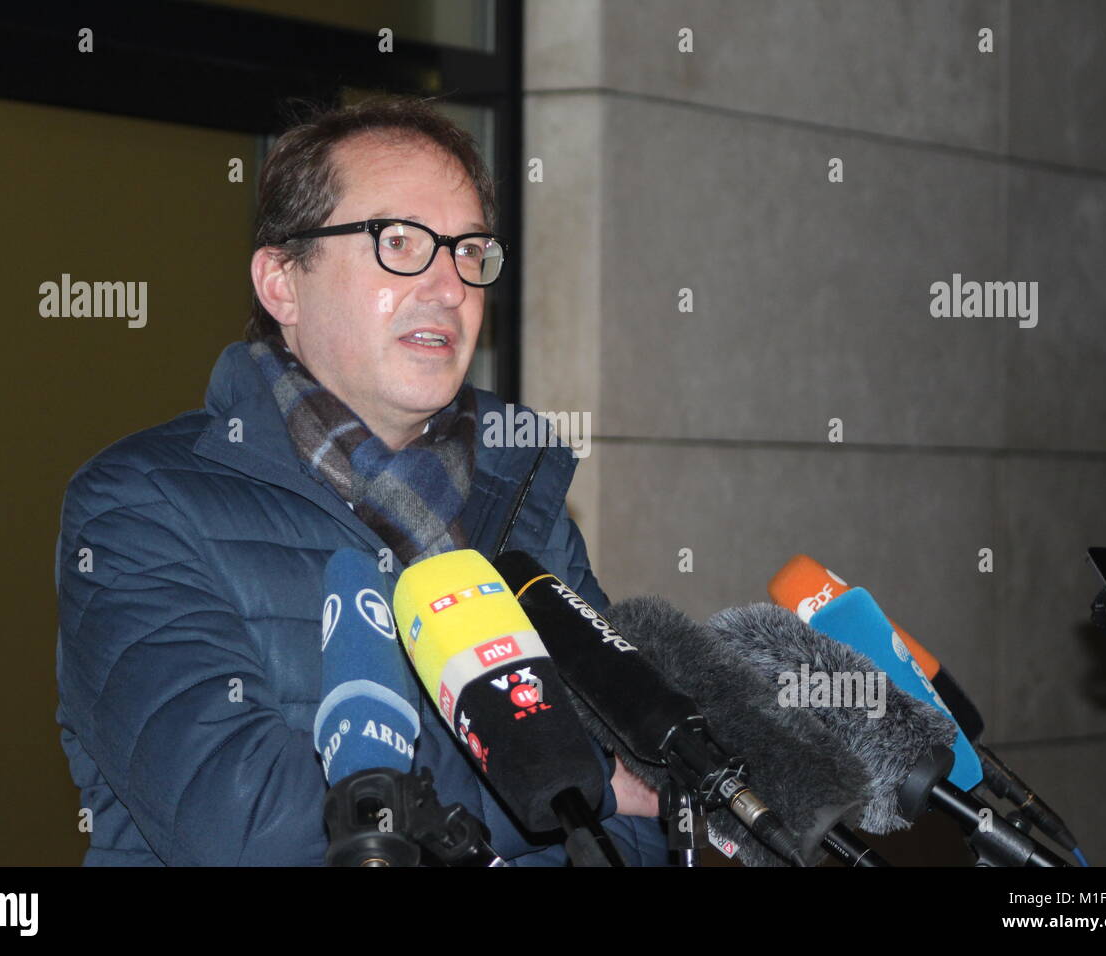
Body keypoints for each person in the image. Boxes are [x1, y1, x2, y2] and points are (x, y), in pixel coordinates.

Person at [54, 95, 667, 865]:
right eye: (399, 242)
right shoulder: (143, 503)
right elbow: (244, 825)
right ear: (283, 282)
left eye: (470, 250)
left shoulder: (520, 499)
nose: (450, 286)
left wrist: (599, 789)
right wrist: (573, 781)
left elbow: (636, 830)